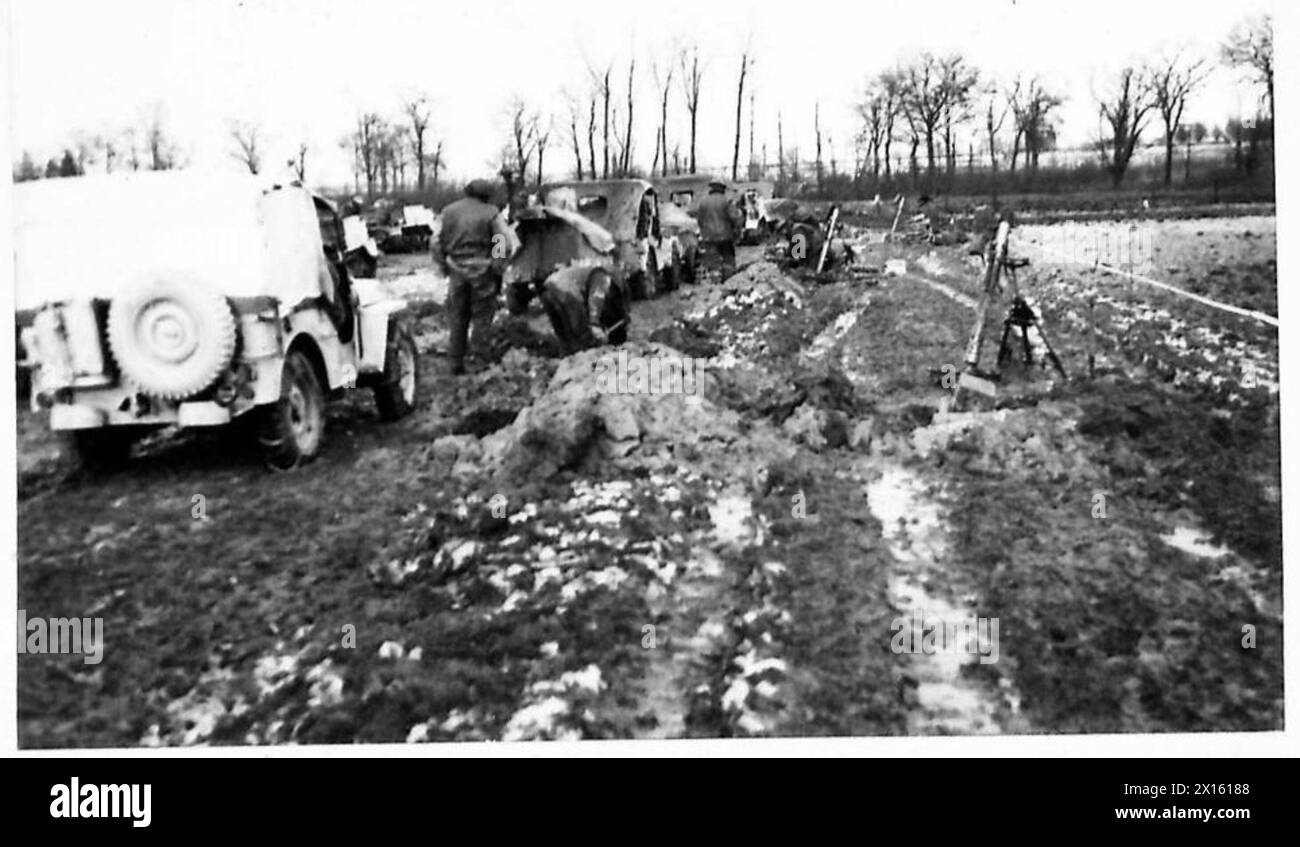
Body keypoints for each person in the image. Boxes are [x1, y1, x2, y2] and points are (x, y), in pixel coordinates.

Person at [432, 179, 519, 374]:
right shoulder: (491, 213)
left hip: (456, 271)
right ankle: (479, 363)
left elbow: (435, 242)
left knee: (457, 317)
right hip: (483, 271)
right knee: (481, 318)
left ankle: (455, 362)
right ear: (487, 194)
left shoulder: (448, 212)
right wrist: (497, 267)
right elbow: (503, 242)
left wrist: (444, 265)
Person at [694, 179, 742, 279]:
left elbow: (700, 220)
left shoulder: (703, 202)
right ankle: (729, 281)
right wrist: (737, 230)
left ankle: (714, 283)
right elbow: (734, 217)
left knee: (713, 261)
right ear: (722, 188)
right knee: (728, 258)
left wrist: (703, 232)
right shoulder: (726, 200)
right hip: (725, 236)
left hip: (708, 237)